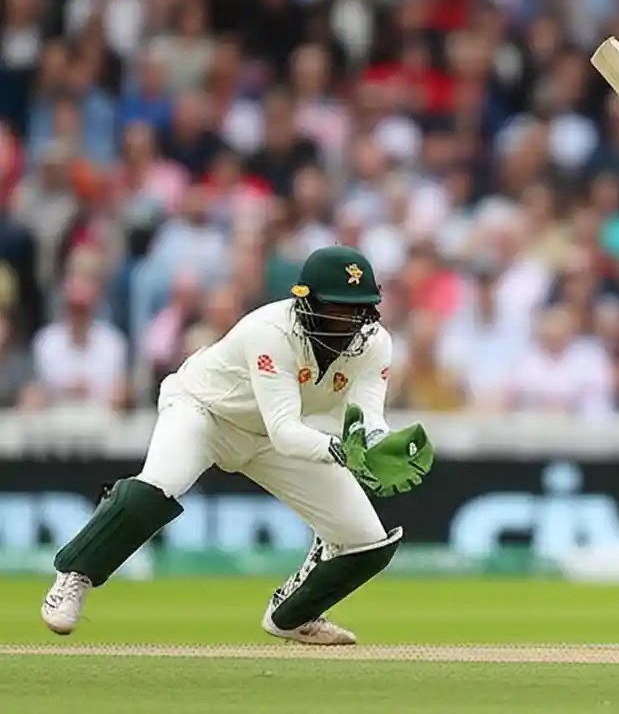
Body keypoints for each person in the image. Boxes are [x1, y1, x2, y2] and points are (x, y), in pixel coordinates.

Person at [40, 245, 435, 645]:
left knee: (366, 540)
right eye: (337, 309)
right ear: (307, 302)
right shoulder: (271, 331)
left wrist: (378, 446)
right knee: (159, 486)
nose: (348, 321)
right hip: (204, 412)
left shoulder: (375, 344)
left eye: (358, 310)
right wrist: (342, 451)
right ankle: (76, 572)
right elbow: (285, 430)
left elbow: (368, 418)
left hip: (271, 439)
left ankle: (292, 616)